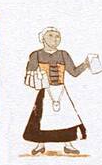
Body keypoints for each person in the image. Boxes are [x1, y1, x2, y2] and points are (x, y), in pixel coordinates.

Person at [23, 27, 90, 156]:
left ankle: (68, 144)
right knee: (42, 118)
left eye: (57, 36)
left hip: (61, 90)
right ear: (43, 38)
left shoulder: (63, 54)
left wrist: (86, 64)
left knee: (67, 117)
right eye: (51, 35)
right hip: (45, 91)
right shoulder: (36, 55)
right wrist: (36, 76)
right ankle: (40, 145)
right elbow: (29, 74)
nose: (55, 39)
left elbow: (74, 72)